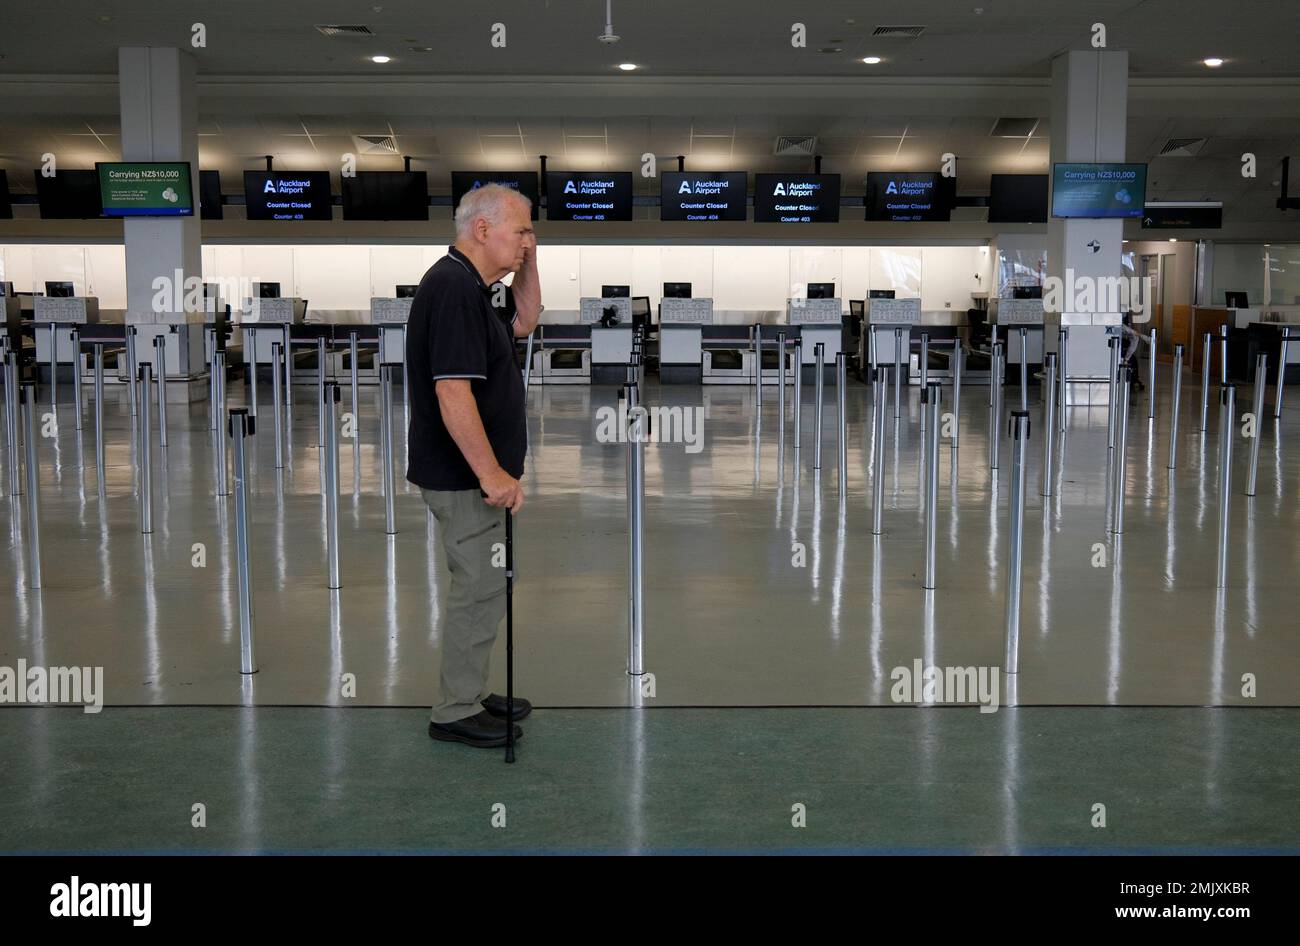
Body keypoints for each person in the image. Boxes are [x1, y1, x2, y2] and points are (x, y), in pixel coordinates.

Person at [405, 184, 541, 748]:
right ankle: (454, 710)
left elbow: (526, 321)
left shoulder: (477, 288)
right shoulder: (454, 290)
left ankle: (471, 689)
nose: (527, 243)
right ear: (482, 230)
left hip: (476, 477)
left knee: (488, 584)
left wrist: (529, 256)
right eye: (520, 232)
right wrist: (492, 475)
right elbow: (453, 393)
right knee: (479, 587)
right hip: (466, 479)